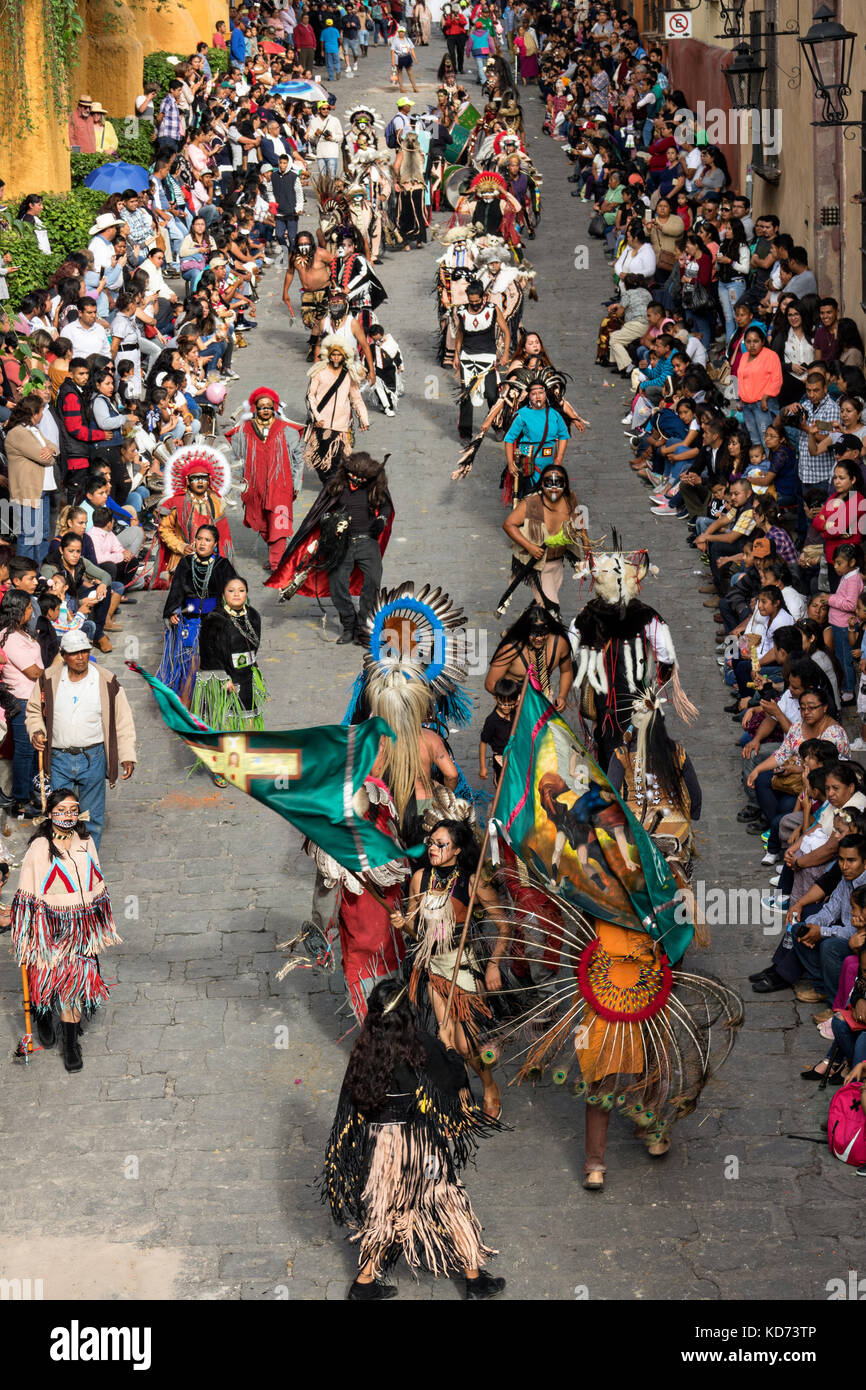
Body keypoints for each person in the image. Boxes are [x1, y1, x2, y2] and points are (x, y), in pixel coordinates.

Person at [322, 979, 505, 1300]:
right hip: (422, 1147)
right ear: (406, 1013)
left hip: (382, 1148)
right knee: (447, 1199)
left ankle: (364, 1283)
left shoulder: (364, 1051)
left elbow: (354, 1105)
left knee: (385, 1211)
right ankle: (475, 1280)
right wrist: (447, 1045)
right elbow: (453, 1080)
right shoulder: (420, 1044)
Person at [391, 818, 509, 1121]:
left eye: (441, 844)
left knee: (466, 1042)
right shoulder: (419, 878)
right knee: (445, 1041)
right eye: (431, 843)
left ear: (456, 850)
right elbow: (417, 932)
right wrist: (404, 924)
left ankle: (489, 1085)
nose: (433, 848)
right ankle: (461, 1094)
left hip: (463, 965)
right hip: (432, 968)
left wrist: (494, 964)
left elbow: (504, 926)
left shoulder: (472, 882)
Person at [11, 787, 120, 1071]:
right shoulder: (39, 848)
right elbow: (27, 892)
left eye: (73, 810)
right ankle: (43, 1013)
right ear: (49, 815)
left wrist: (97, 920)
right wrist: (29, 933)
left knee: (74, 985)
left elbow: (97, 880)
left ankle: (70, 1043)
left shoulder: (86, 841)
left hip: (81, 929)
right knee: (46, 980)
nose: (68, 816)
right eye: (61, 811)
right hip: (50, 928)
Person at [25, 630, 136, 849]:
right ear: (64, 655)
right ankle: (64, 861)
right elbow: (34, 711)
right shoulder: (48, 678)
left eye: (85, 652)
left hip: (93, 757)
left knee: (91, 818)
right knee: (60, 817)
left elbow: (123, 720)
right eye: (75, 653)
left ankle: (89, 862)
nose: (81, 657)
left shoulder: (106, 680)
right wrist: (36, 730)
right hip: (59, 759)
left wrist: (127, 755)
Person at [156, 524, 236, 704]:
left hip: (213, 621)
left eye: (207, 540)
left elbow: (234, 591)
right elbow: (176, 592)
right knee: (189, 663)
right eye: (199, 538)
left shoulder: (222, 565)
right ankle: (185, 707)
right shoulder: (186, 563)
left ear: (215, 544)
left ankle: (212, 703)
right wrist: (172, 612)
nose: (202, 543)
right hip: (189, 620)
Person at [228, 387, 304, 573]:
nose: (265, 410)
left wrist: (296, 483)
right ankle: (277, 555)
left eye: (269, 407)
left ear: (274, 408)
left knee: (279, 523)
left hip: (281, 486)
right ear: (255, 408)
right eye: (261, 407)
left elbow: (298, 459)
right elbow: (236, 456)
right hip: (255, 486)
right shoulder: (244, 431)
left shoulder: (287, 431)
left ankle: (278, 564)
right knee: (261, 521)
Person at [191, 575, 267, 744]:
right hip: (225, 679)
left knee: (249, 720)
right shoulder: (214, 619)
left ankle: (248, 758)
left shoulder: (253, 615)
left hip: (246, 676)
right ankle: (226, 760)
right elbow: (207, 651)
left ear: (246, 593)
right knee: (226, 722)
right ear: (223, 595)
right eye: (231, 591)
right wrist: (223, 678)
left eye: (241, 590)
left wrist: (254, 669)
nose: (236, 594)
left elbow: (254, 647)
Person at [155, 451, 234, 588]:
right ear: (187, 481)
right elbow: (165, 530)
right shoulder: (176, 503)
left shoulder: (216, 502)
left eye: (203, 478)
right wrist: (181, 546)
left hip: (211, 559)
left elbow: (223, 536)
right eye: (195, 478)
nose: (200, 482)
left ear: (209, 480)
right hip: (183, 558)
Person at [0, 589, 44, 817]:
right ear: (17, 610)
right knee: (25, 752)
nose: (31, 611)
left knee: (29, 750)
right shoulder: (9, 638)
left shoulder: (21, 633)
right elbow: (33, 670)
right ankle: (21, 800)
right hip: (21, 700)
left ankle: (30, 793)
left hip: (33, 698)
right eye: (28, 608)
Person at [486, 602, 574, 712]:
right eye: (534, 634)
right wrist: (511, 700)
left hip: (542, 703)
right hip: (514, 706)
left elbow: (566, 671)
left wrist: (562, 696)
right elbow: (490, 683)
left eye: (543, 634)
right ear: (525, 631)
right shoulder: (511, 648)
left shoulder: (560, 643)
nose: (539, 638)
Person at [453, 279, 510, 443]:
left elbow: (506, 331)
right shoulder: (462, 312)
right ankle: (465, 433)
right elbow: (459, 334)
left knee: (492, 394)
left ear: (484, 297)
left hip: (488, 358)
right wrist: (457, 355)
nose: (475, 305)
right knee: (466, 396)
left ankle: (498, 426)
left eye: (477, 301)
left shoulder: (492, 309)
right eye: (471, 302)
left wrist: (505, 354)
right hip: (467, 358)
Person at [303, 337, 370, 478]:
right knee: (319, 459)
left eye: (339, 355)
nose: (336, 357)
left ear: (344, 356)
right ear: (329, 355)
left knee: (337, 460)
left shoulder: (349, 375)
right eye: (333, 354)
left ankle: (331, 485)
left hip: (340, 424)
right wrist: (317, 417)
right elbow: (310, 396)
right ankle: (327, 482)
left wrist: (363, 419)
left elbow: (356, 398)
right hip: (322, 423)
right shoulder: (319, 372)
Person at [503, 379, 570, 502]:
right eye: (534, 394)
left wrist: (559, 458)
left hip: (549, 463)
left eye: (541, 393)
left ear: (546, 394)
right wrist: (510, 462)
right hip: (527, 463)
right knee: (528, 498)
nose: (538, 397)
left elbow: (564, 435)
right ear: (529, 397)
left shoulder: (554, 414)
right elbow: (509, 439)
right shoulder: (522, 415)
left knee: (549, 497)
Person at [283, 230, 334, 360]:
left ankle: (314, 348)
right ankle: (317, 343)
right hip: (307, 294)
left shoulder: (321, 253)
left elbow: (336, 264)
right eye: (301, 244)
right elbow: (290, 273)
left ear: (311, 243)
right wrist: (285, 292)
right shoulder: (294, 256)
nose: (303, 246)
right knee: (309, 321)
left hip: (324, 291)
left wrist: (335, 283)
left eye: (306, 243)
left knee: (319, 320)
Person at [479, 677, 519, 785]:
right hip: (500, 757)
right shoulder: (492, 720)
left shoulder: (516, 713)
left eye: (510, 703)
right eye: (502, 703)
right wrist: (483, 767)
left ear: (516, 701)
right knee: (503, 787)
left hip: (516, 755)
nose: (506, 707)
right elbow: (483, 743)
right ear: (496, 699)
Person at [390, 24, 418, 93]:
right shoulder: (395, 40)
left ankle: (414, 87)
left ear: (404, 33)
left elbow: (412, 49)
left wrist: (415, 58)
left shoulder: (408, 40)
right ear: (398, 32)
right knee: (399, 73)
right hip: (399, 57)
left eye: (402, 32)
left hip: (407, 57)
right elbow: (393, 51)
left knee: (410, 72)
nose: (401, 33)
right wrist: (393, 61)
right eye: (400, 32)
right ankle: (401, 88)